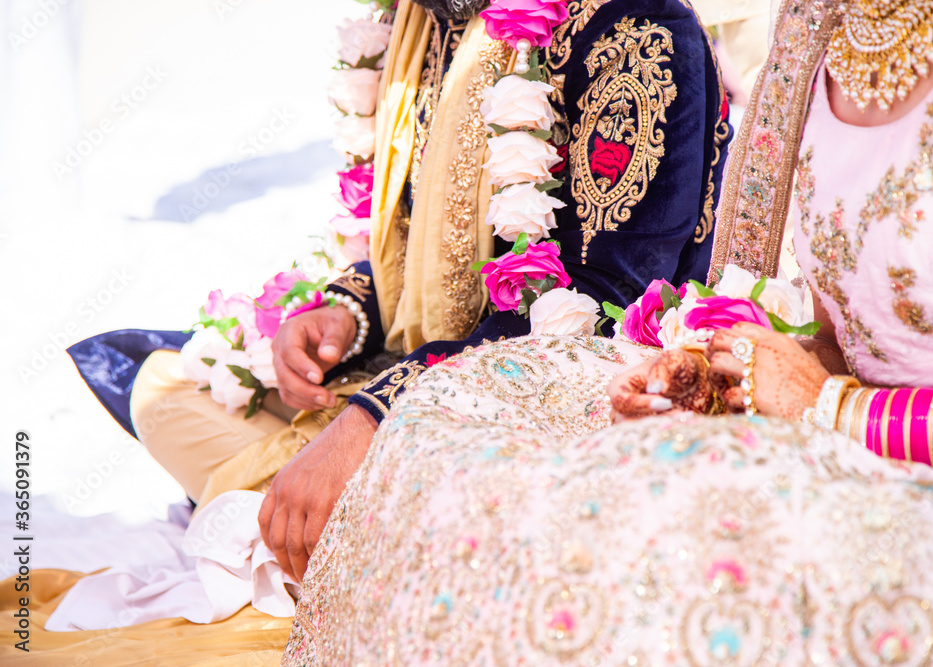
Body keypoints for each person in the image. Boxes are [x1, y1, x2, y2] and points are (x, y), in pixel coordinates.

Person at [282, 0, 933, 663]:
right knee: (488, 467)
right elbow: (836, 330)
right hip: (843, 446)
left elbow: (607, 290)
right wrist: (707, 374)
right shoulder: (822, 25)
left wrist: (829, 405)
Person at [67, 0, 730, 586]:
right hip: (408, 376)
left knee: (440, 504)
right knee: (163, 386)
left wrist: (373, 417)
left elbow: (597, 315)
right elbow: (406, 246)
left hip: (540, 417)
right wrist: (345, 314)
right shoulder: (426, 22)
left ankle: (299, 534)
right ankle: (315, 534)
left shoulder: (637, 28)